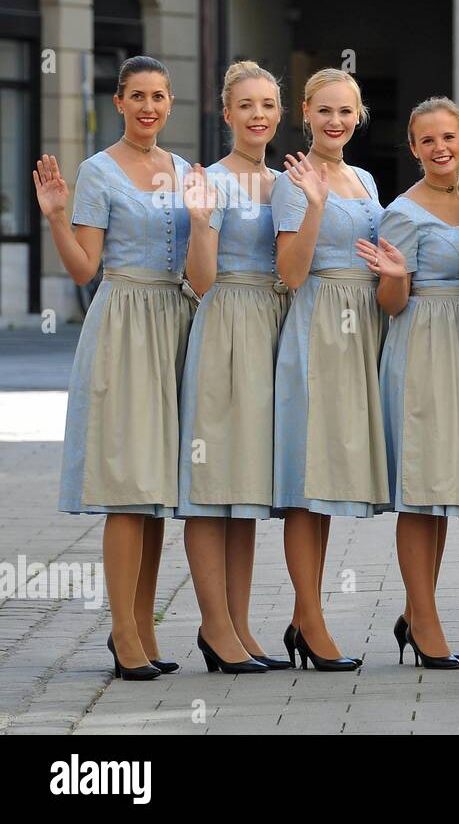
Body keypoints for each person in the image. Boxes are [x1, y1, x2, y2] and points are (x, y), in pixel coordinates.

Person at [37, 55, 194, 680]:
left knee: (156, 491)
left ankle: (143, 626)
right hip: (125, 321)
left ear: (170, 102)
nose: (148, 106)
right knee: (128, 489)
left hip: (176, 320)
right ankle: (123, 633)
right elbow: (83, 270)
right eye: (137, 96)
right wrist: (54, 214)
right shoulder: (98, 171)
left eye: (158, 96)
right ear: (119, 102)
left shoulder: (183, 170)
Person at [359, 97, 459, 670]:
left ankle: (417, 613)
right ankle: (425, 618)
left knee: (444, 485)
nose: (441, 149)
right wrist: (391, 277)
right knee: (420, 486)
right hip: (425, 341)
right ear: (413, 149)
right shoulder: (402, 213)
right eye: (428, 141)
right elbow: (392, 304)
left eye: (449, 138)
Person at [179, 60, 295, 674]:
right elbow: (199, 280)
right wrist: (199, 221)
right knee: (211, 483)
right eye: (246, 105)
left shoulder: (286, 182)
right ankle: (214, 628)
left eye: (268, 105)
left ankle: (243, 625)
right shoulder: (210, 181)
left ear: (279, 114)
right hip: (226, 322)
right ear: (227, 115)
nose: (258, 115)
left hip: (274, 327)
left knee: (246, 486)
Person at [272, 68, 387, 672]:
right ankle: (311, 620)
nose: (335, 121)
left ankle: (302, 616)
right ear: (306, 114)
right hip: (318, 324)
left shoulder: (365, 179)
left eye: (346, 111)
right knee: (306, 483)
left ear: (359, 114)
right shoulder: (295, 180)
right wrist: (315, 205)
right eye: (324, 112)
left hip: (360, 325)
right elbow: (290, 273)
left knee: (328, 481)